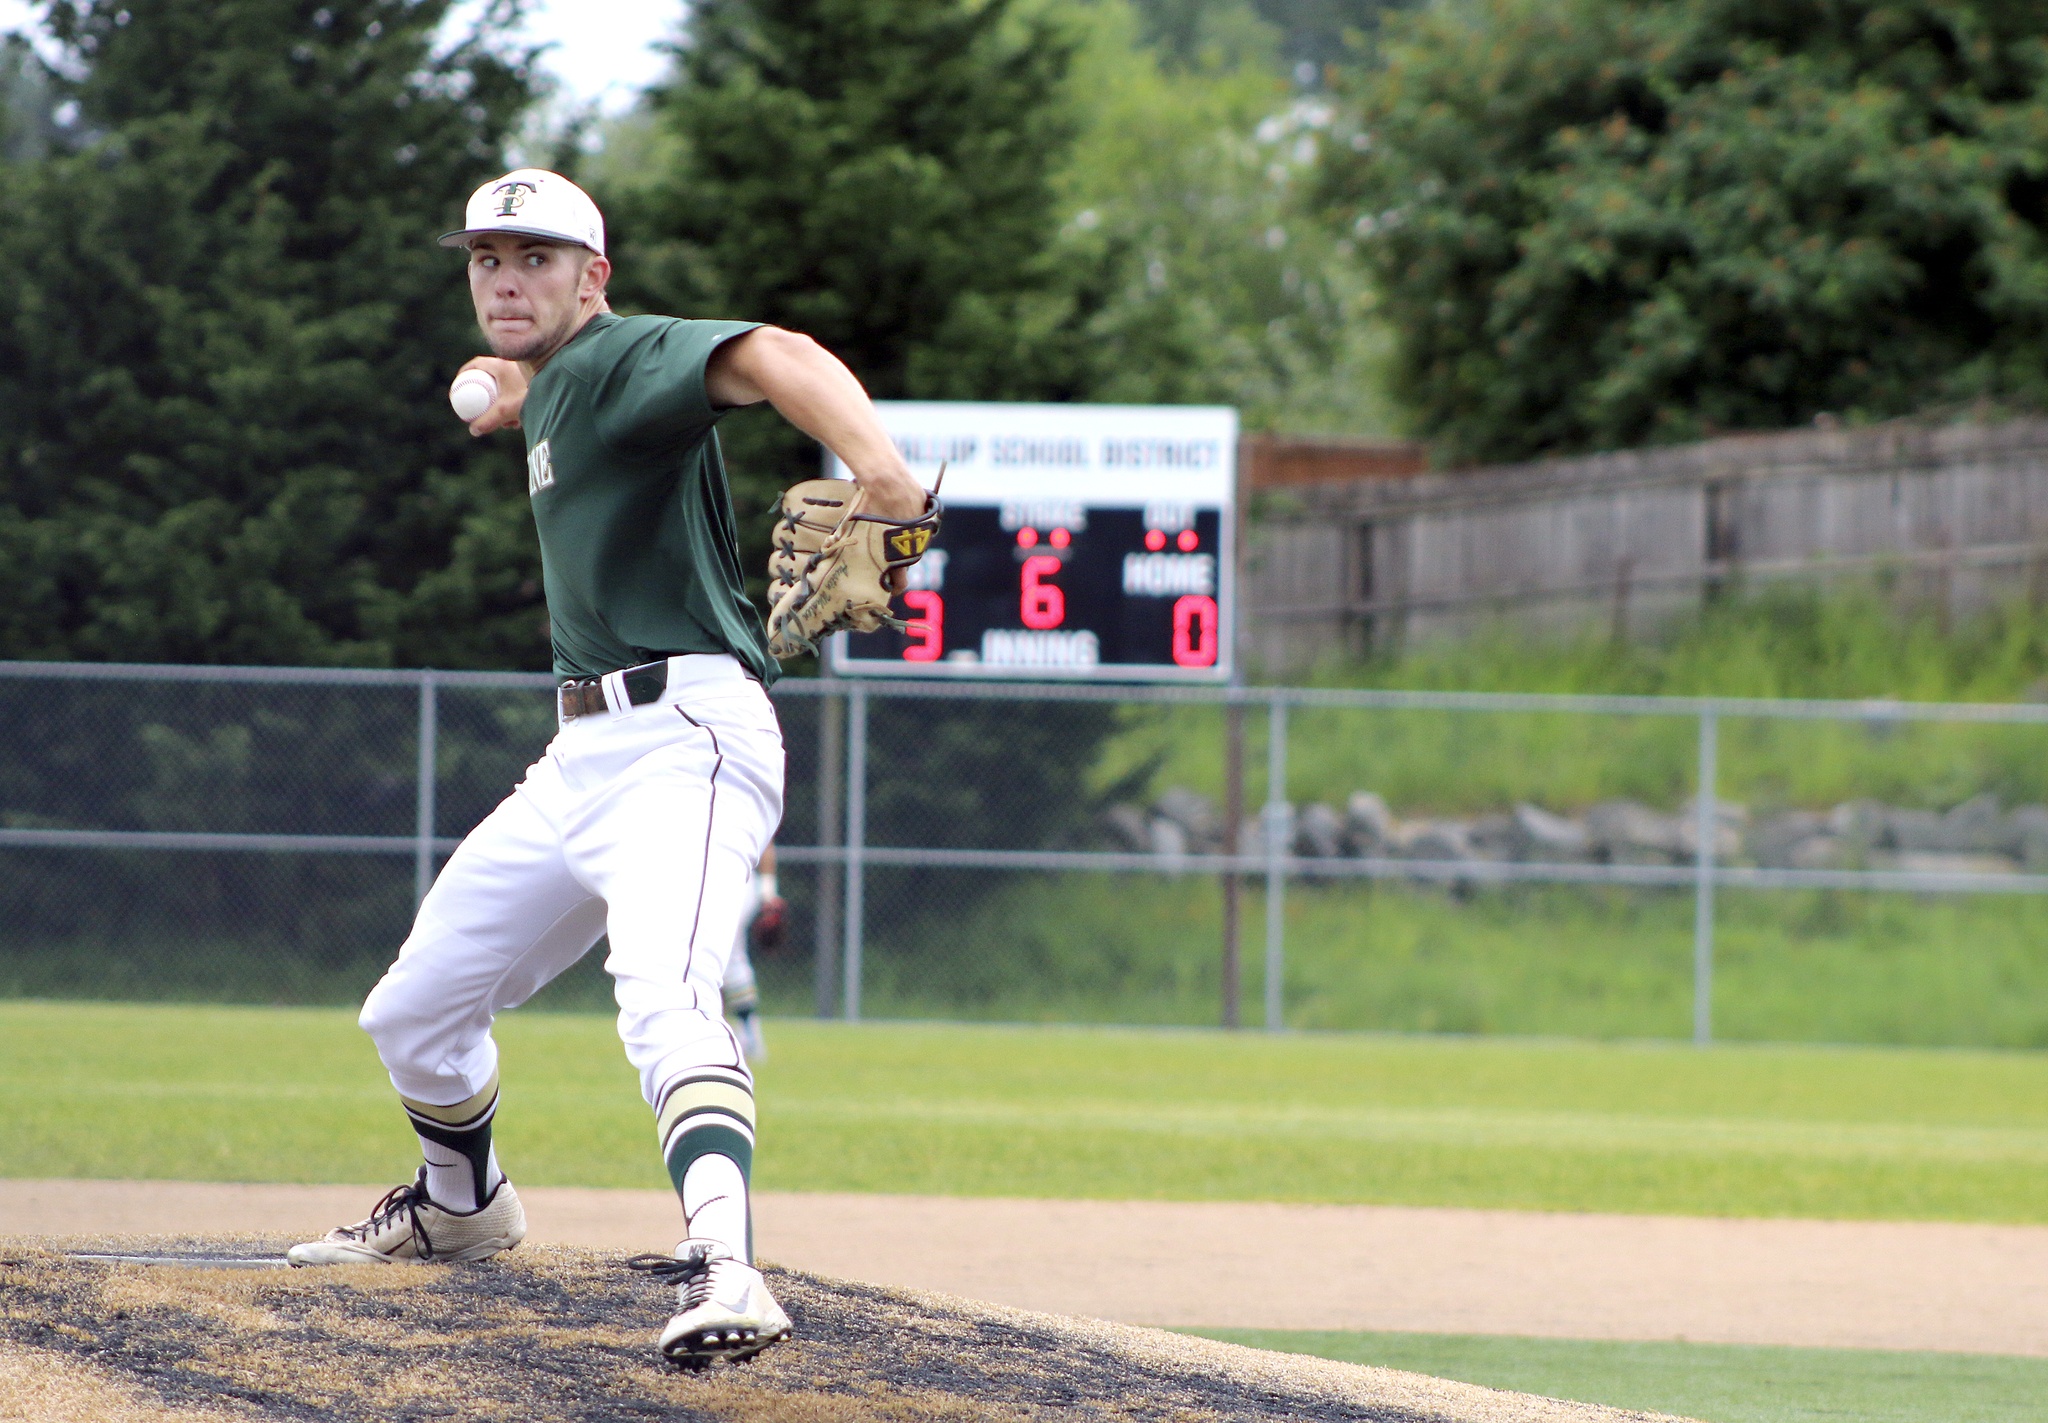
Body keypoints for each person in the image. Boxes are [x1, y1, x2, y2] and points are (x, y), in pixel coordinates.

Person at [284, 169, 926, 1369]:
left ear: (595, 277)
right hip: (580, 756)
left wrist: (879, 471)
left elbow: (778, 353)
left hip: (684, 736)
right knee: (412, 1012)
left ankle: (730, 1267)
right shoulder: (568, 385)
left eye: (534, 257)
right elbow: (535, 390)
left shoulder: (626, 361)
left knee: (666, 995)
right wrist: (501, 391)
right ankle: (460, 1205)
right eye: (485, 259)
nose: (505, 277)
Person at [723, 845, 784, 1062]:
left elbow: (766, 842)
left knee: (728, 958)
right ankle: (729, 1034)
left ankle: (749, 1036)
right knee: (718, 959)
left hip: (734, 880)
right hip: (703, 880)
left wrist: (768, 893)